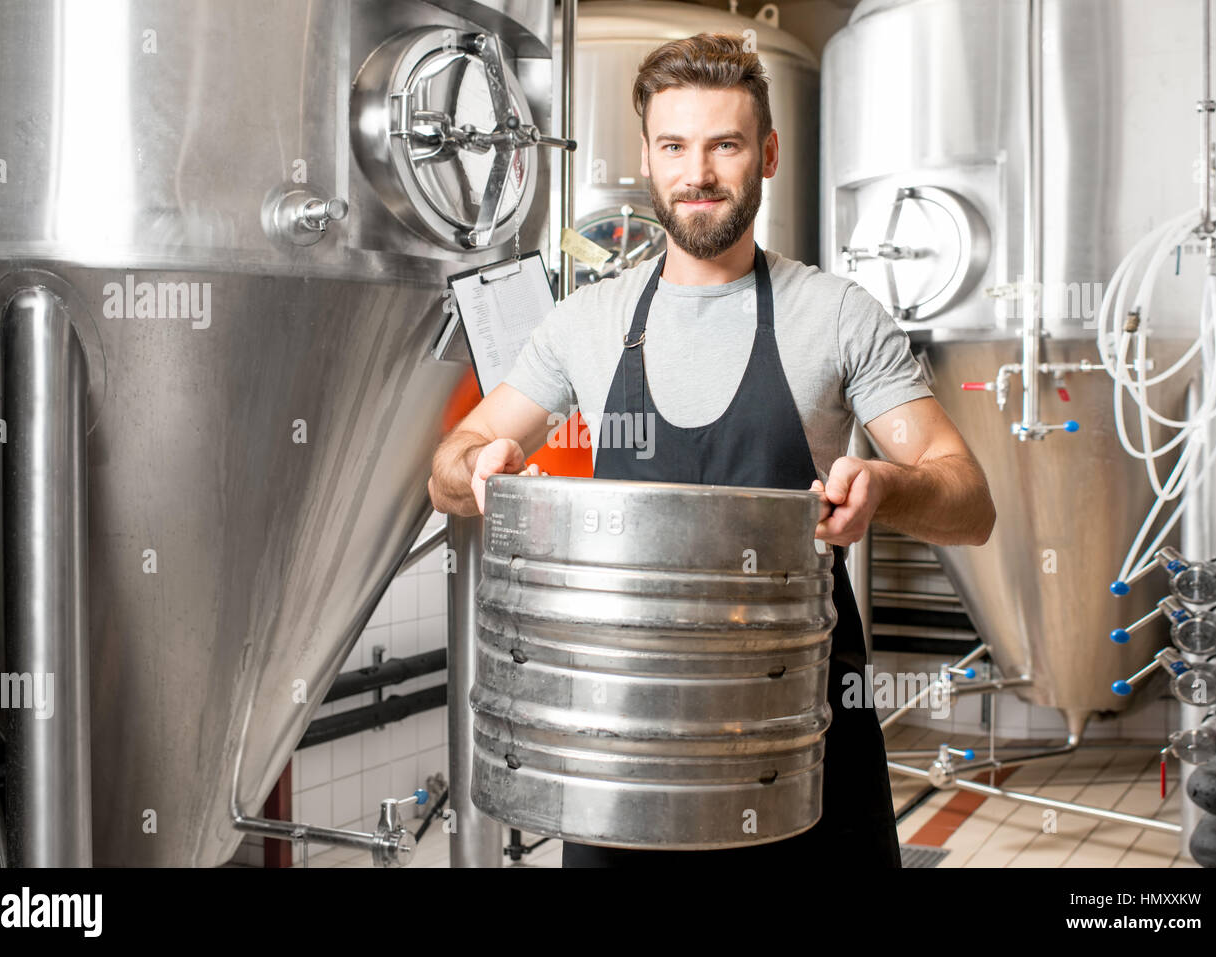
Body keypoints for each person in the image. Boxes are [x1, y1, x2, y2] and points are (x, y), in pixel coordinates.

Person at [427, 32, 996, 868]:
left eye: (725, 145)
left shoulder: (837, 314)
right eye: (675, 147)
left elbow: (969, 500)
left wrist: (884, 486)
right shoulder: (583, 323)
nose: (698, 173)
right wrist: (472, 466)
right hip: (625, 750)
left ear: (765, 154)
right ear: (650, 160)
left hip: (802, 735)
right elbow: (455, 458)